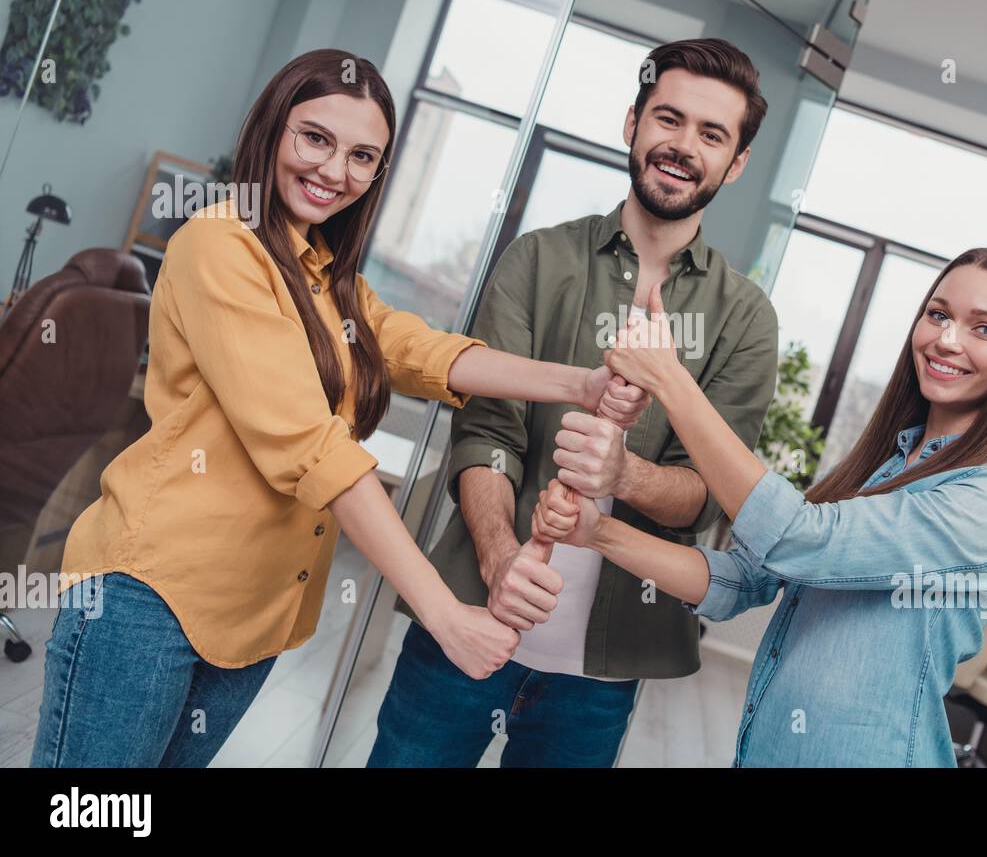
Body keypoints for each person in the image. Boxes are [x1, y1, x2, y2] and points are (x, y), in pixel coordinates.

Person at [30, 49, 647, 768]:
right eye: (315, 138)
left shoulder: (321, 270)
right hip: (147, 601)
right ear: (271, 129)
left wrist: (580, 386)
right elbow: (312, 446)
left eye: (362, 156)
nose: (334, 171)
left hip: (253, 615)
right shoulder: (220, 245)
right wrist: (446, 616)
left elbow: (414, 349)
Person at [367, 38, 780, 768]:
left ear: (736, 162)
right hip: (468, 616)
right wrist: (498, 559)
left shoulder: (746, 319)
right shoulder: (537, 260)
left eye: (711, 135)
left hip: (600, 675)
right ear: (632, 123)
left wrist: (624, 475)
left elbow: (704, 501)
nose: (682, 146)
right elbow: (485, 432)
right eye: (668, 119)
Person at [532, 247, 987, 766]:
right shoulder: (882, 469)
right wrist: (597, 531)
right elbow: (742, 580)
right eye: (938, 314)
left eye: (985, 329)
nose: (946, 339)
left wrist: (671, 381)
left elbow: (799, 539)